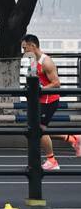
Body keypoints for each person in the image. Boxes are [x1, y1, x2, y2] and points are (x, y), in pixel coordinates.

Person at [23, 35, 68, 169]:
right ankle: (73, 138)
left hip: (49, 100)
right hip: (39, 100)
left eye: (25, 48)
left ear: (33, 46)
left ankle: (52, 161)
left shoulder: (46, 62)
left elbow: (56, 83)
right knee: (34, 129)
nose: (24, 51)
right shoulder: (33, 61)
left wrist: (41, 89)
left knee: (38, 129)